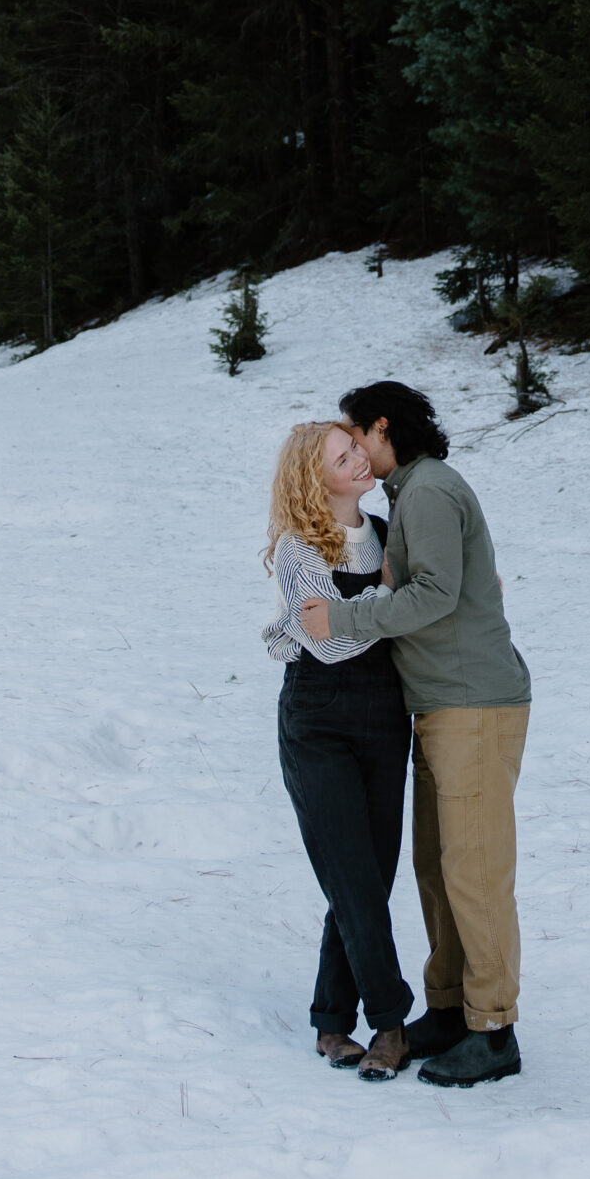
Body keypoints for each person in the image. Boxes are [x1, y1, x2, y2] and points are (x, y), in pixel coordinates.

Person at [298, 380, 530, 1088]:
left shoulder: (427, 491)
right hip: (436, 705)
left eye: (354, 436)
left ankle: (492, 1030)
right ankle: (450, 1008)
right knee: (437, 868)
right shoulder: (412, 495)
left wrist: (338, 620)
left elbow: (433, 594)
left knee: (473, 871)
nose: (355, 453)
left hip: (472, 704)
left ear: (381, 426)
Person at [264, 421, 413, 1080]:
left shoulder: (386, 533)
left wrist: (382, 605)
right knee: (350, 875)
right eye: (341, 456)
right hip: (317, 717)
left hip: (384, 714)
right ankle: (389, 1021)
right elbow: (328, 643)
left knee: (369, 877)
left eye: (356, 449)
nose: (359, 460)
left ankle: (330, 1020)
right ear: (312, 477)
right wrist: (392, 601)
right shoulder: (300, 550)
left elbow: (392, 618)